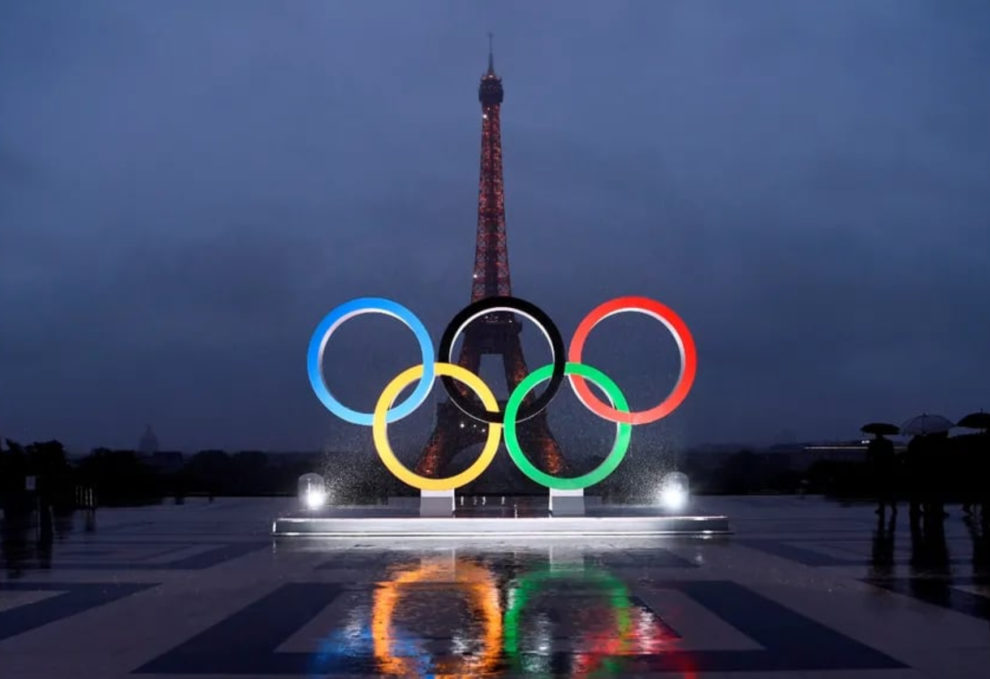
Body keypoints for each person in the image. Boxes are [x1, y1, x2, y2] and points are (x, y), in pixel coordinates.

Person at [867, 434, 897, 518]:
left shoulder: (873, 443)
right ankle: (893, 507)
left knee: (880, 489)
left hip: (878, 467)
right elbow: (892, 454)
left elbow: (869, 454)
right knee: (890, 489)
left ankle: (881, 507)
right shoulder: (889, 443)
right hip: (888, 467)